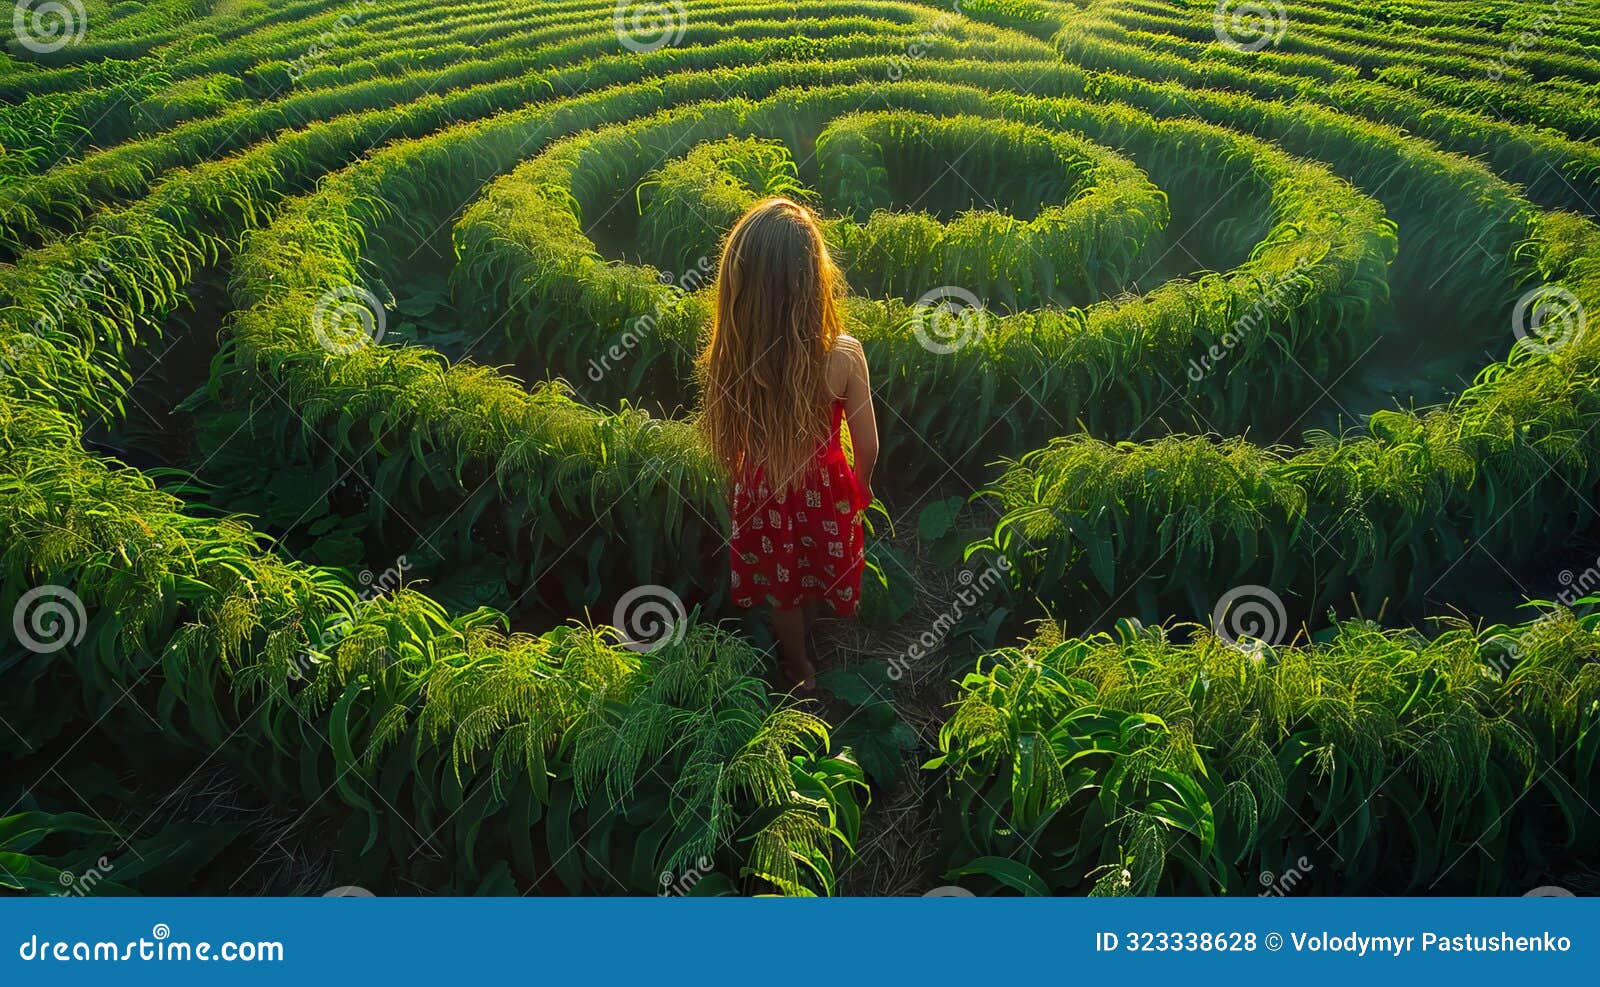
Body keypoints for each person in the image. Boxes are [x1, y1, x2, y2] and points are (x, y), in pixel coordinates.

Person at [696, 197, 878, 692]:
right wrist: (858, 489)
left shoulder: (729, 353)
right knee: (819, 559)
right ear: (815, 276)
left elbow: (723, 437)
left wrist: (744, 480)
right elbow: (869, 445)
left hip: (762, 493)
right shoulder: (844, 354)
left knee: (783, 590)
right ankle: (820, 624)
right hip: (825, 488)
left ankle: (798, 669)